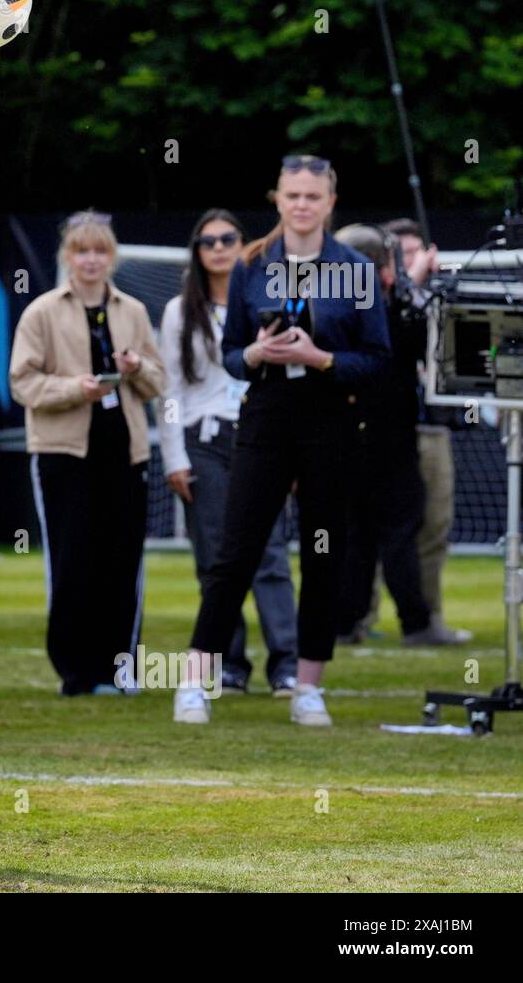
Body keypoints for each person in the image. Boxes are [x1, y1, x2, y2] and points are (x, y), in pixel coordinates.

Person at [174, 154, 390, 727]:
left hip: (331, 420)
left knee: (323, 554)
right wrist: (255, 354)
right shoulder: (251, 263)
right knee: (236, 550)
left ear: (330, 203)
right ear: (277, 198)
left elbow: (377, 360)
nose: (301, 205)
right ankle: (196, 680)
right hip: (266, 415)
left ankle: (307, 684)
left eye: (312, 197)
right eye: (292, 195)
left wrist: (319, 358)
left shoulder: (355, 270)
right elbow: (231, 356)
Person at [11, 210, 165, 695]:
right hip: (64, 452)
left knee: (123, 562)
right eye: (82, 251)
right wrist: (75, 388)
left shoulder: (133, 311)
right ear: (68, 257)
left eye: (100, 251)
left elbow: (159, 382)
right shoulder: (42, 311)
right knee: (74, 561)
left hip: (125, 451)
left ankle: (121, 669)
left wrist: (136, 366)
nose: (92, 260)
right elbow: (23, 382)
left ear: (112, 256)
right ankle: (77, 672)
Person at [160, 210, 299, 695]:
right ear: (196, 252)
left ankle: (287, 663)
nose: (218, 248)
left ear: (244, 244)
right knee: (217, 556)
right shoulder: (181, 310)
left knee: (271, 552)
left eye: (228, 238)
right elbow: (171, 391)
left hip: (261, 434)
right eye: (207, 241)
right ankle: (229, 662)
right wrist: (174, 456)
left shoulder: (264, 297)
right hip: (205, 439)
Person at [333, 223, 467, 647]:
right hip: (389, 441)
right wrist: (418, 283)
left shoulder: (332, 313)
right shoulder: (391, 314)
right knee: (398, 534)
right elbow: (420, 334)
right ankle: (416, 622)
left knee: (357, 538)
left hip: (344, 441)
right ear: (385, 268)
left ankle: (346, 621)